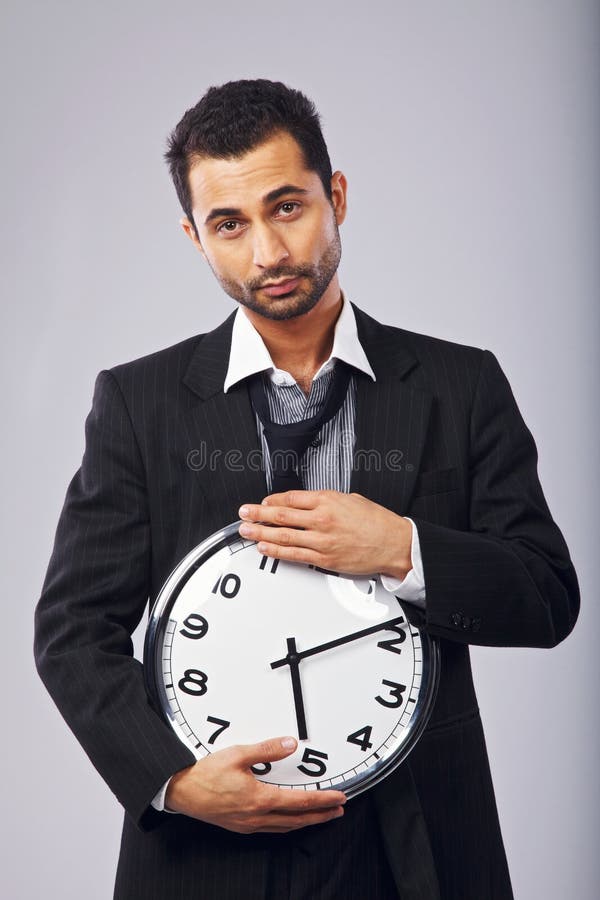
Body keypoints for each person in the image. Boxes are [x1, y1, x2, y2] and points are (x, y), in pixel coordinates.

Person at [34, 79, 579, 900]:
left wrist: (403, 549)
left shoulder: (461, 385)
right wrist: (175, 782)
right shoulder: (138, 403)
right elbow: (72, 630)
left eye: (287, 207)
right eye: (229, 224)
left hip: (414, 844)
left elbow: (546, 597)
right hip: (206, 851)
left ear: (338, 196)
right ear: (194, 236)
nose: (268, 253)